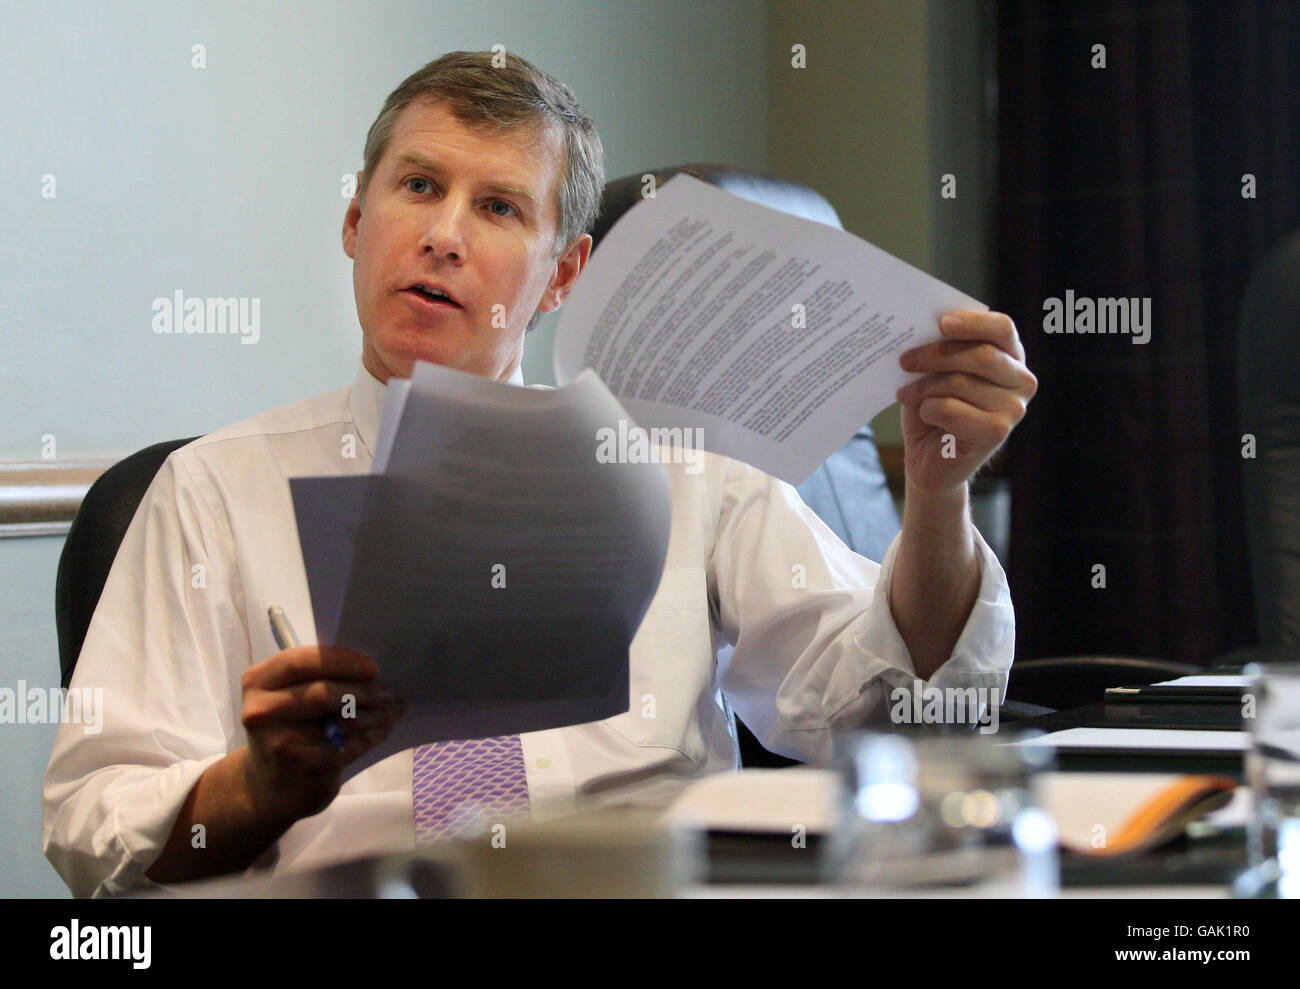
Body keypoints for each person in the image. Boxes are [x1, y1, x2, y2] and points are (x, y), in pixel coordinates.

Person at [43, 50, 1037, 897]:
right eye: (419, 186)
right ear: (357, 222)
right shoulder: (210, 493)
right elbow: (94, 828)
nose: (443, 234)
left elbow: (904, 711)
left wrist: (940, 493)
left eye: (500, 207)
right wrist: (257, 785)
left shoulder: (685, 478)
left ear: (562, 275)